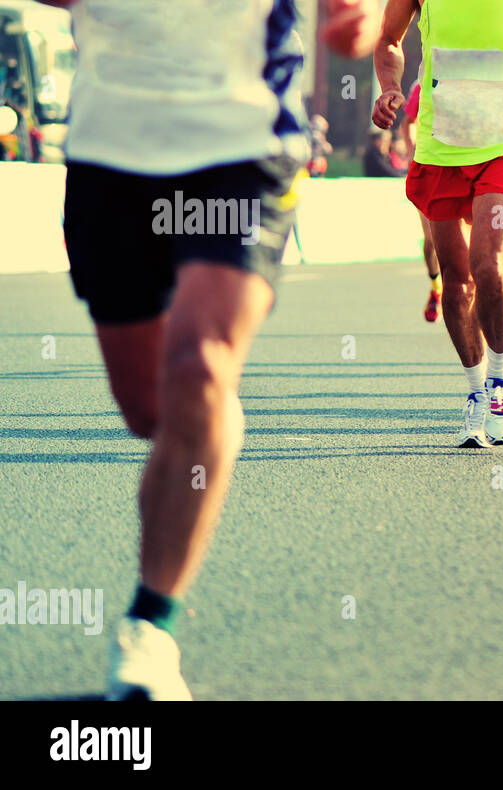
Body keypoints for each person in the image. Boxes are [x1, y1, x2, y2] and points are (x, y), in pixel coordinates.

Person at [53, 0, 379, 700]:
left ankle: (150, 628)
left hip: (242, 144)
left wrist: (360, 15)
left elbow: (359, 24)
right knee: (151, 412)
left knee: (200, 367)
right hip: (111, 150)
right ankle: (205, 421)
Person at [373, 0, 503, 447]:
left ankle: (502, 382)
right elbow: (389, 39)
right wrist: (389, 87)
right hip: (442, 145)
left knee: (488, 263)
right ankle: (476, 390)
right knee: (456, 281)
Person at [399, 75, 443, 323]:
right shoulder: (422, 83)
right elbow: (408, 122)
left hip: (464, 162)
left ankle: (464, 288)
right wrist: (410, 150)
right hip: (428, 165)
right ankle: (436, 287)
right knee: (432, 237)